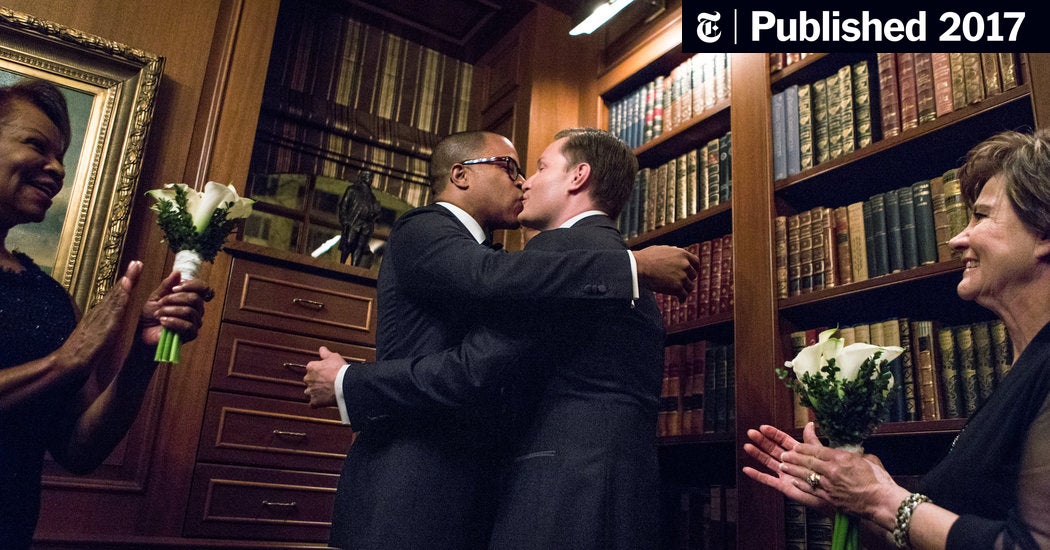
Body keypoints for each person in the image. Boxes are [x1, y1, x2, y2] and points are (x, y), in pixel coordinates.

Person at [309, 129, 697, 550]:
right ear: (460, 175)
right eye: (510, 167)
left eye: (537, 168)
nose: (524, 181)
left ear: (578, 176)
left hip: (542, 486)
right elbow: (487, 286)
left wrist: (349, 381)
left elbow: (479, 357)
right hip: (413, 477)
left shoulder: (559, 254)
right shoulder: (425, 228)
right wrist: (631, 266)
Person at [742, 129, 1050, 550]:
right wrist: (851, 502)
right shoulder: (1023, 372)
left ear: (1044, 233)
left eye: (981, 216)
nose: (956, 238)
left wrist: (882, 498)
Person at [0, 79, 211, 549]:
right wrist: (61, 363)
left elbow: (80, 451)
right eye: (37, 145)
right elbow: (65, 363)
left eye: (61, 156)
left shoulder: (51, 298)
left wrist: (142, 353)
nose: (57, 168)